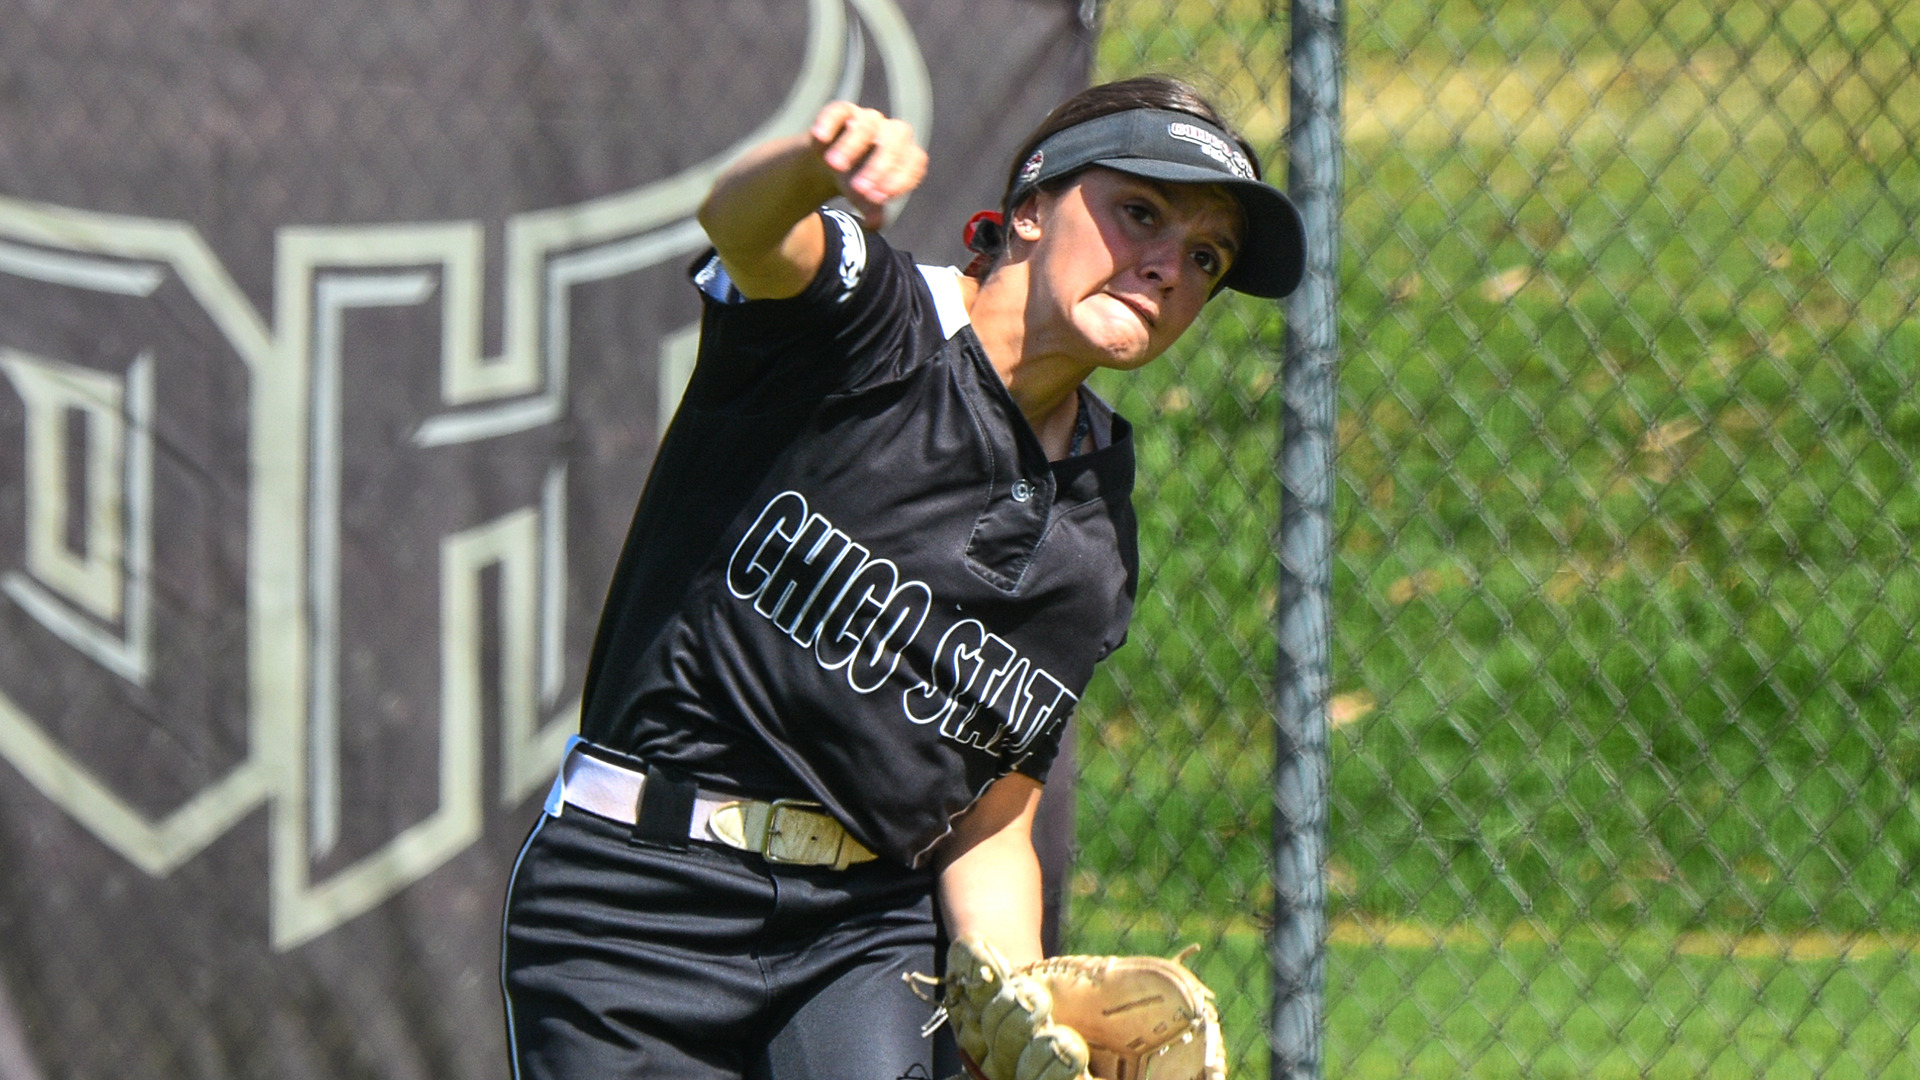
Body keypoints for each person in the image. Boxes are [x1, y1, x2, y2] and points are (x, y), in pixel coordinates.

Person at [500, 74, 1305, 1080]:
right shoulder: (869, 317)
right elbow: (742, 226)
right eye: (1140, 212)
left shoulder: (1095, 531)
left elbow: (991, 820)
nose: (1168, 268)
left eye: (1206, 256)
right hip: (635, 901)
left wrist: (1020, 1005)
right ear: (1027, 208)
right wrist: (813, 167)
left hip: (857, 932)